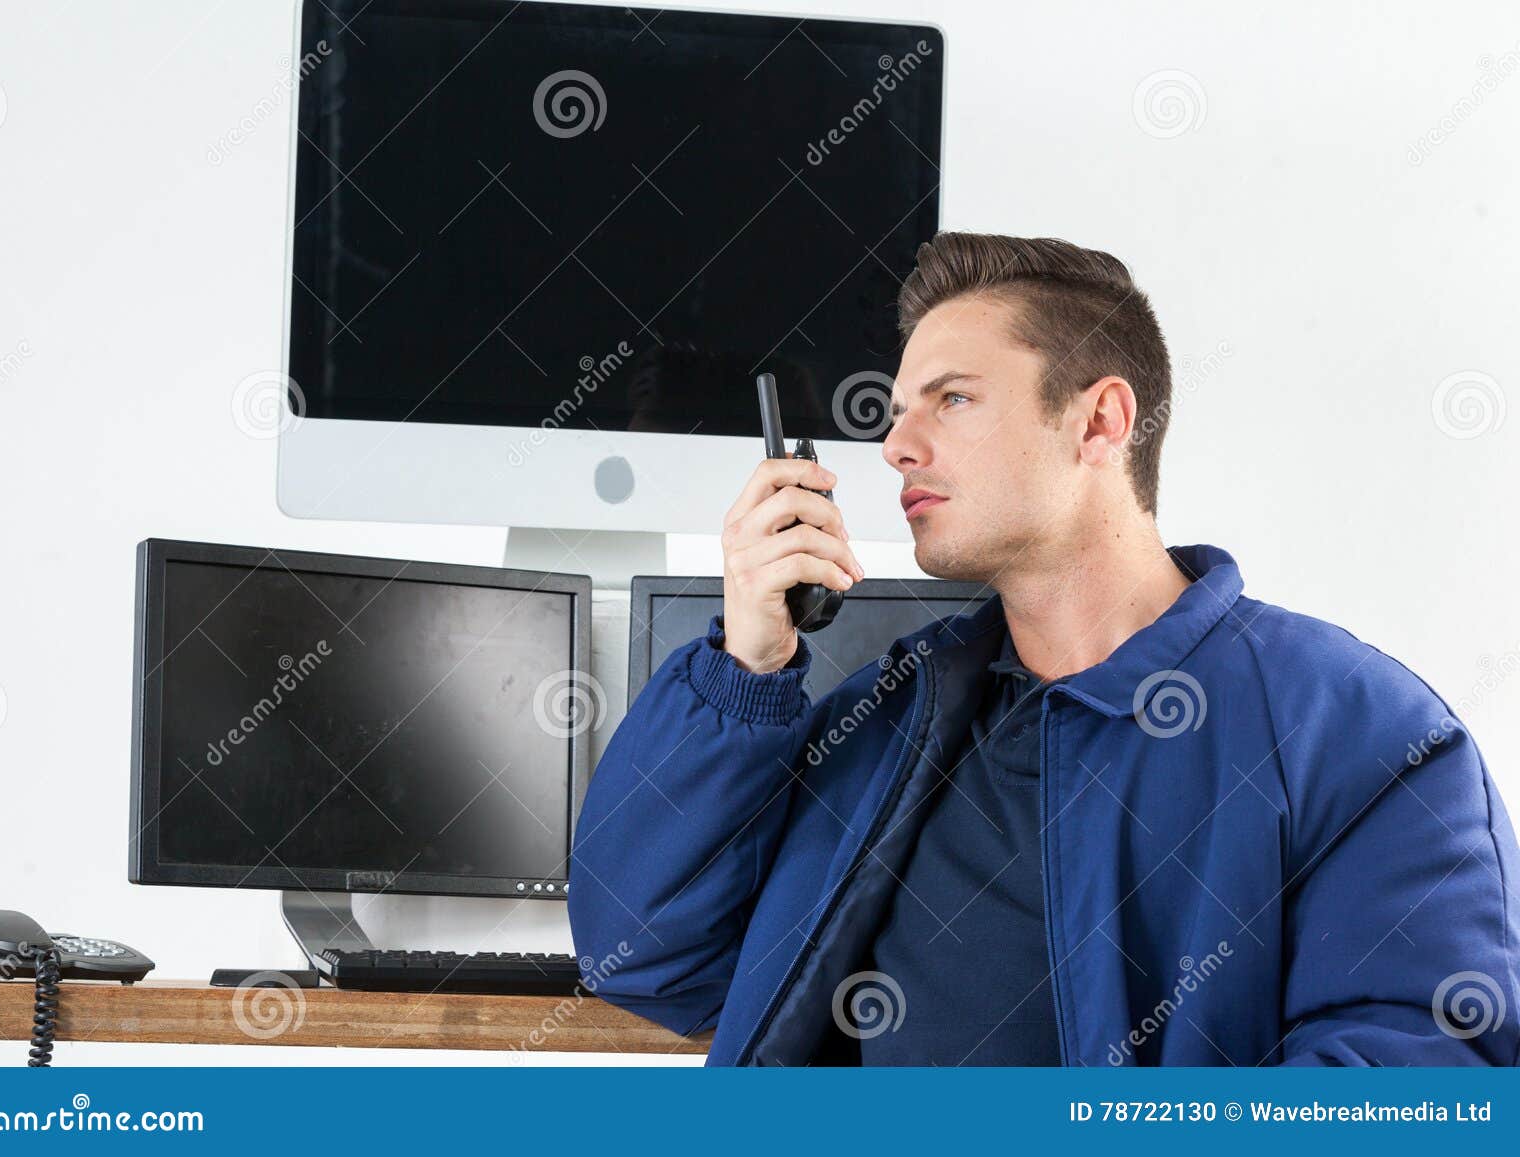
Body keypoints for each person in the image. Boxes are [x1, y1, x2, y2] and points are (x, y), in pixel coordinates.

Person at [568, 231, 1520, 1066]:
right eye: (896, 411)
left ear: (1101, 420)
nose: (897, 444)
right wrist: (746, 672)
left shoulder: (1362, 735)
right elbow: (647, 961)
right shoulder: (889, 721)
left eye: (951, 398)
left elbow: (1421, 1081)